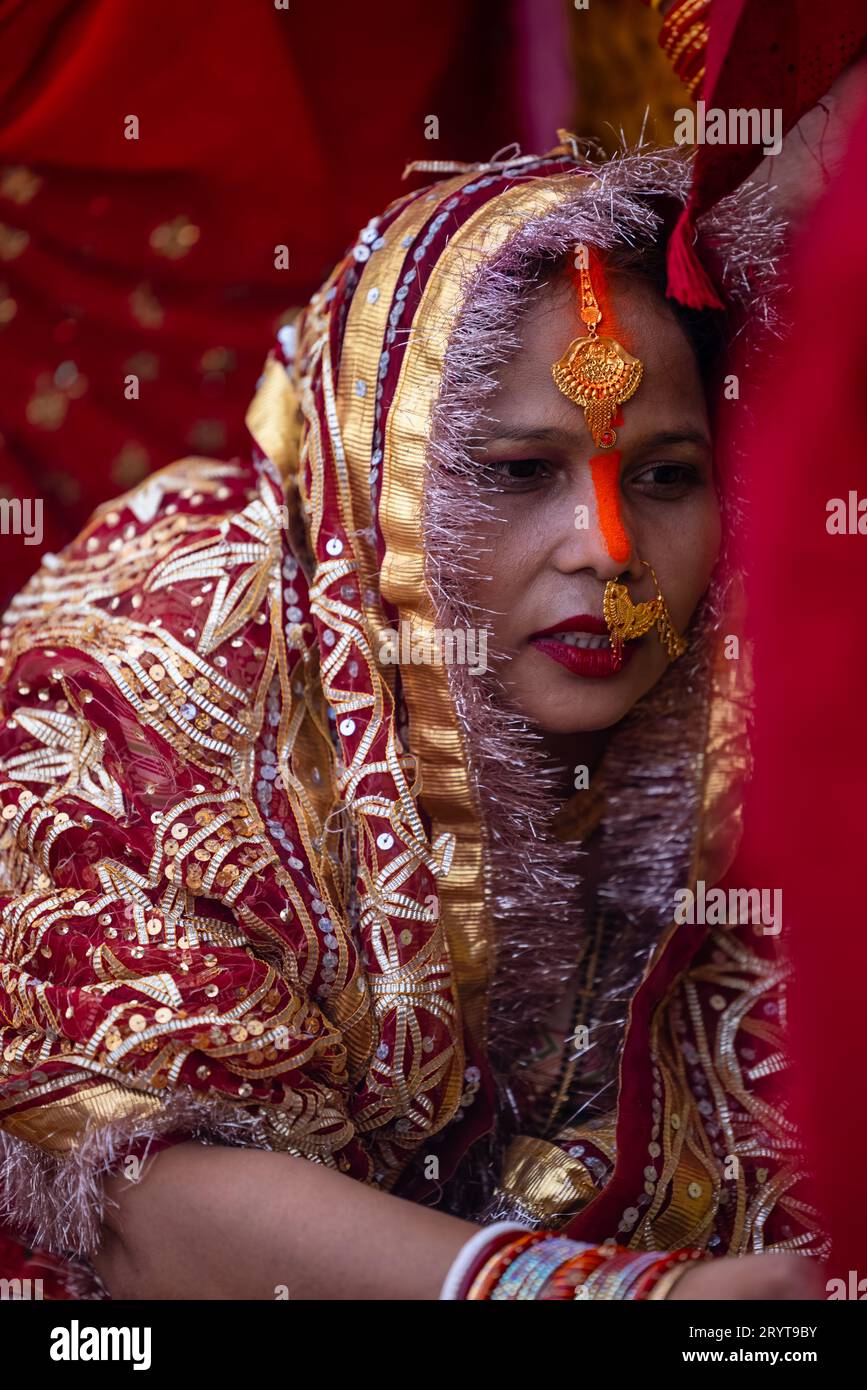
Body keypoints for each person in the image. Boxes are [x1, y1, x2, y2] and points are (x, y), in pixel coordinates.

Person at [0, 137, 826, 1300]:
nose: (607, 550)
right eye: (517, 470)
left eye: (666, 475)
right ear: (378, 470)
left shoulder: (760, 709)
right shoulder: (164, 651)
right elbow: (146, 1198)